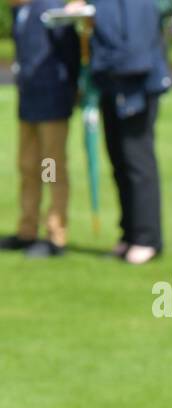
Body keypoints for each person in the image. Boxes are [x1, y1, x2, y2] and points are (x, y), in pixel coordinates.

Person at [67, 0, 170, 264]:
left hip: (133, 83)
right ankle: (129, 233)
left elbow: (137, 46)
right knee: (119, 160)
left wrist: (114, 71)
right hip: (112, 82)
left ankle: (147, 238)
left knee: (137, 161)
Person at [4, 0, 80, 258]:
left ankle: (55, 235)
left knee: (51, 168)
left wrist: (70, 92)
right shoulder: (19, 11)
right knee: (27, 166)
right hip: (28, 99)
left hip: (52, 100)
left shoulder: (51, 9)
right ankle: (27, 230)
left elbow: (70, 55)